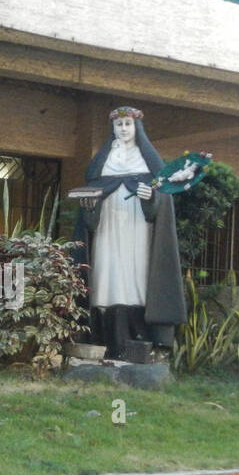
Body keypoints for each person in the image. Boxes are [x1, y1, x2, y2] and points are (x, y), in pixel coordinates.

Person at [73, 106, 188, 359]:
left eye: (127, 124)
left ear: (137, 128)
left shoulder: (149, 163)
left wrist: (151, 197)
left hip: (138, 230)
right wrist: (90, 206)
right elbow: (89, 204)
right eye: (118, 125)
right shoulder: (102, 163)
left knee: (137, 276)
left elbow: (163, 199)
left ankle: (143, 340)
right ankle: (102, 339)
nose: (123, 129)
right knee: (105, 273)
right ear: (112, 129)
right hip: (107, 230)